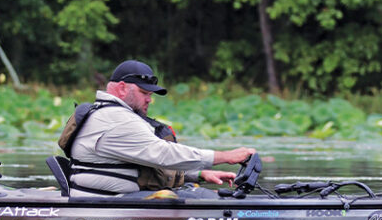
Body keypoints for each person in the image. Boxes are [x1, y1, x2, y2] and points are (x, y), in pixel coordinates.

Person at [63, 59, 255, 195]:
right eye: (144, 92)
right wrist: (225, 156)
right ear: (122, 88)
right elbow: (164, 155)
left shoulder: (103, 112)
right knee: (200, 198)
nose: (149, 100)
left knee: (193, 193)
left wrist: (199, 174)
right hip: (111, 205)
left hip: (111, 198)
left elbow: (145, 162)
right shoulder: (118, 119)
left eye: (150, 94)